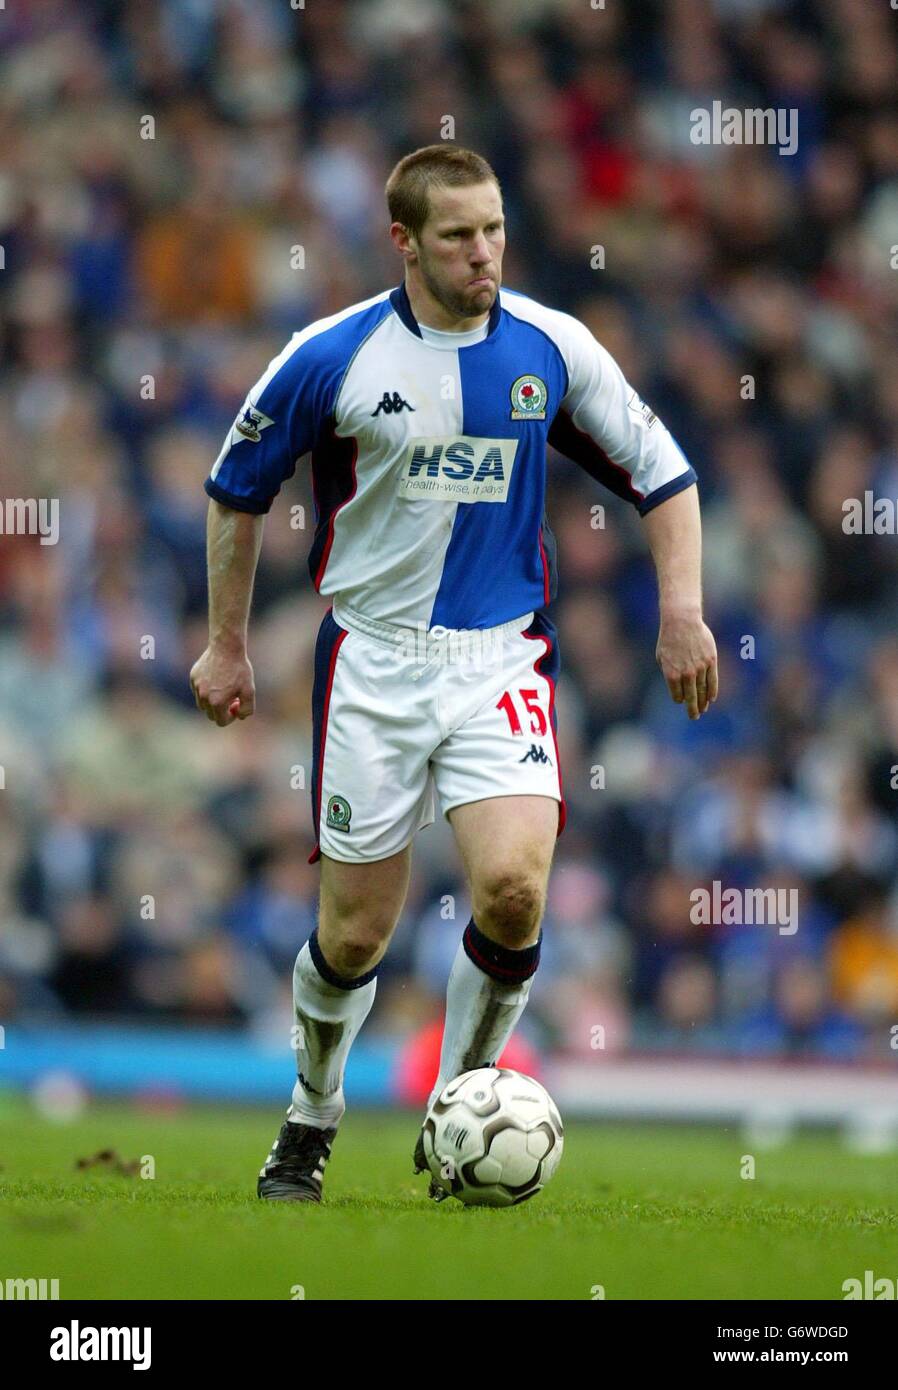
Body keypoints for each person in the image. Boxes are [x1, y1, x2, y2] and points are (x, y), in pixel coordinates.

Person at [189, 144, 718, 1203]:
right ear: (404, 242)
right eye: (457, 236)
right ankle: (312, 1114)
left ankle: (462, 1103)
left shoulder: (550, 347)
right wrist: (228, 641)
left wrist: (683, 611)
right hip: (373, 661)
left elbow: (663, 473)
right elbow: (235, 491)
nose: (483, 254)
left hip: (498, 656)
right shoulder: (330, 355)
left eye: (494, 230)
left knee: (517, 892)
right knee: (354, 933)